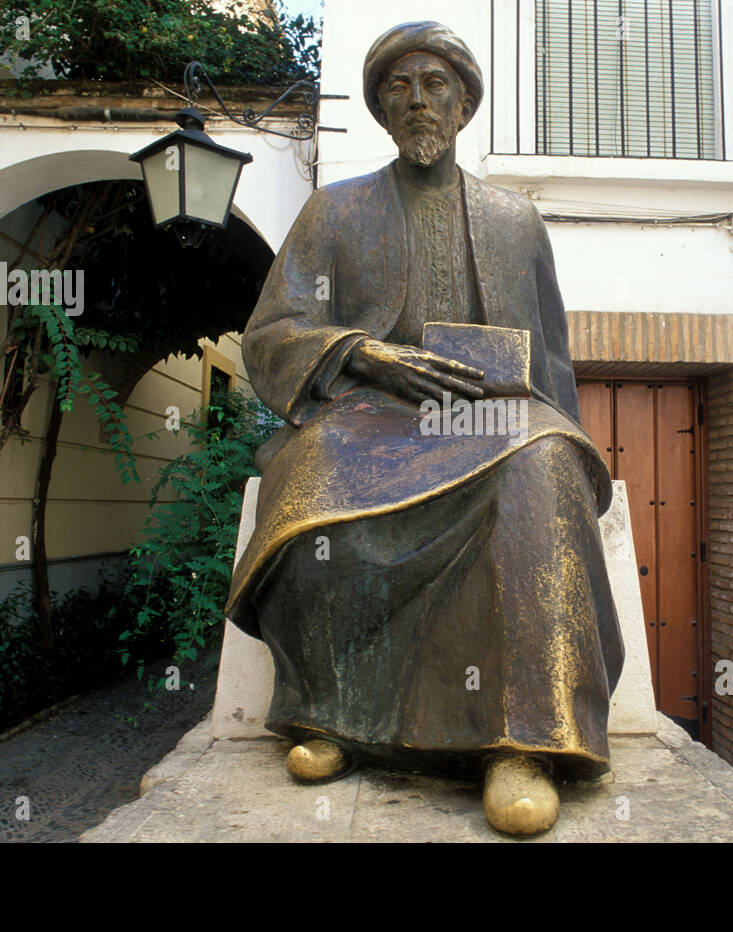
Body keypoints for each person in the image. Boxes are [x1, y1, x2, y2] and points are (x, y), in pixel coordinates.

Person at [224, 21, 623, 836]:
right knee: (309, 477)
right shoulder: (335, 211)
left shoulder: (516, 221)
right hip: (369, 413)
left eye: (435, 84)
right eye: (399, 87)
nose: (417, 101)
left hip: (495, 418)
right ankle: (335, 715)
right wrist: (366, 355)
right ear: (380, 107)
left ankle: (523, 741)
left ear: (465, 103)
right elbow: (270, 334)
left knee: (540, 464)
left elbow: (551, 357)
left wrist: (574, 456)